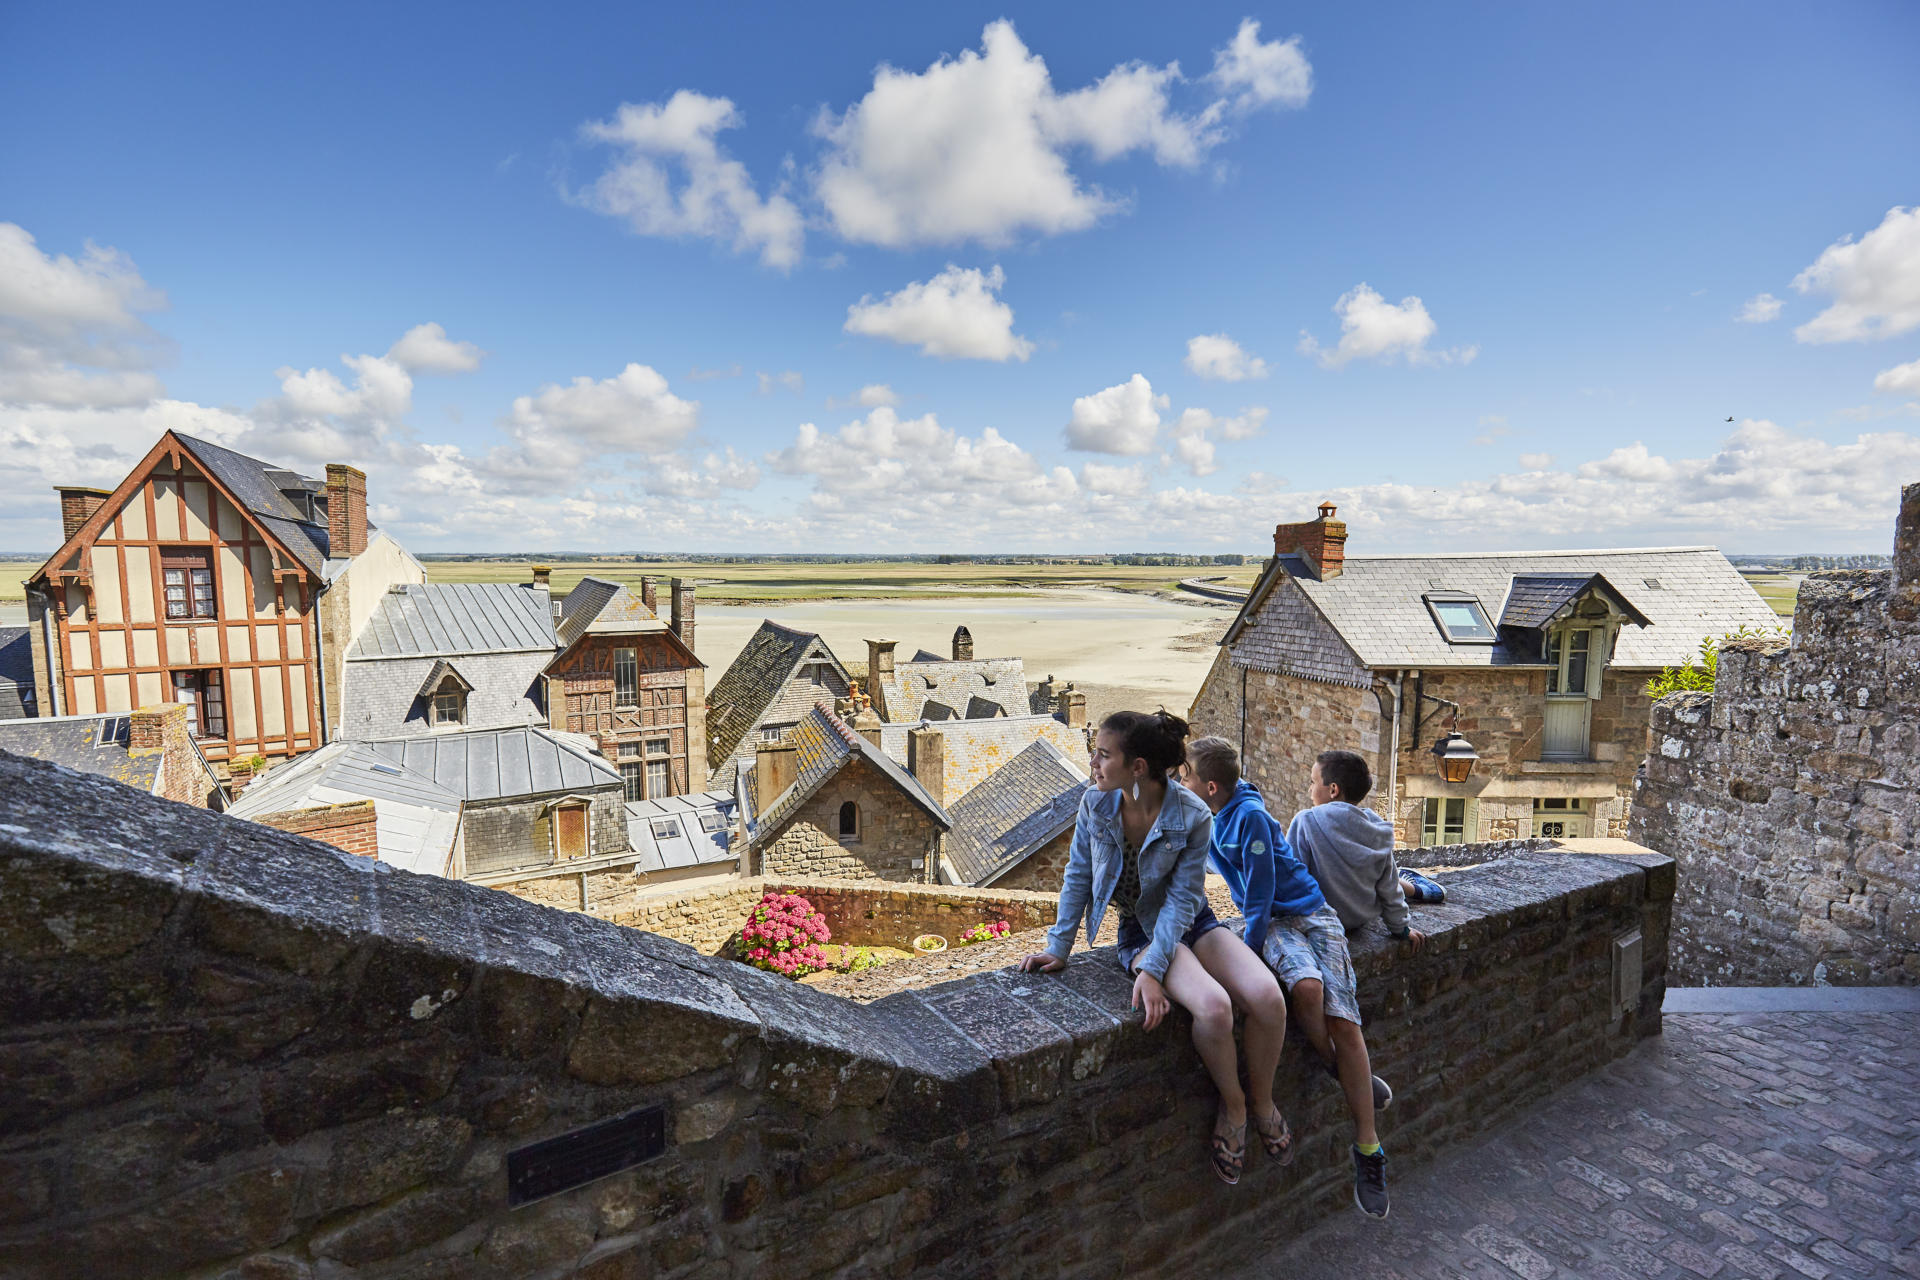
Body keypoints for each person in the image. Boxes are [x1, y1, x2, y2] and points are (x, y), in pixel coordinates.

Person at [1021, 711, 1293, 1186]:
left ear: (1138, 767)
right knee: (1214, 1008)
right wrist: (1059, 946)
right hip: (1140, 933)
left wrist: (1154, 970)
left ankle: (1263, 1101)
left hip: (1193, 922)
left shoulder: (1192, 814)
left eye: (1103, 754)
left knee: (1269, 997)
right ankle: (1234, 1108)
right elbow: (1078, 873)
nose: (1093, 763)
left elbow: (1186, 898)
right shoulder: (1095, 804)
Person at [1181, 736, 1396, 1219]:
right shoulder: (1214, 814)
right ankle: (1339, 1068)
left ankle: (1368, 1149)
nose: (1180, 782)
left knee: (1343, 1020)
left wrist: (1249, 952)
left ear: (1210, 786)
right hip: (1279, 926)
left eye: (1186, 776)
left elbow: (1259, 895)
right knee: (1306, 989)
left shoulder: (1250, 818)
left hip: (1309, 913)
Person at [1286, 750, 1428, 949]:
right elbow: (1389, 888)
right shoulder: (1376, 829)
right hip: (1357, 921)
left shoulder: (1306, 821)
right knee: (1398, 878)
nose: (1310, 789)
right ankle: (1419, 888)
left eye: (1313, 782)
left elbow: (1291, 876)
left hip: (1320, 922)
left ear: (1333, 789)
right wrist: (1401, 928)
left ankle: (1418, 887)